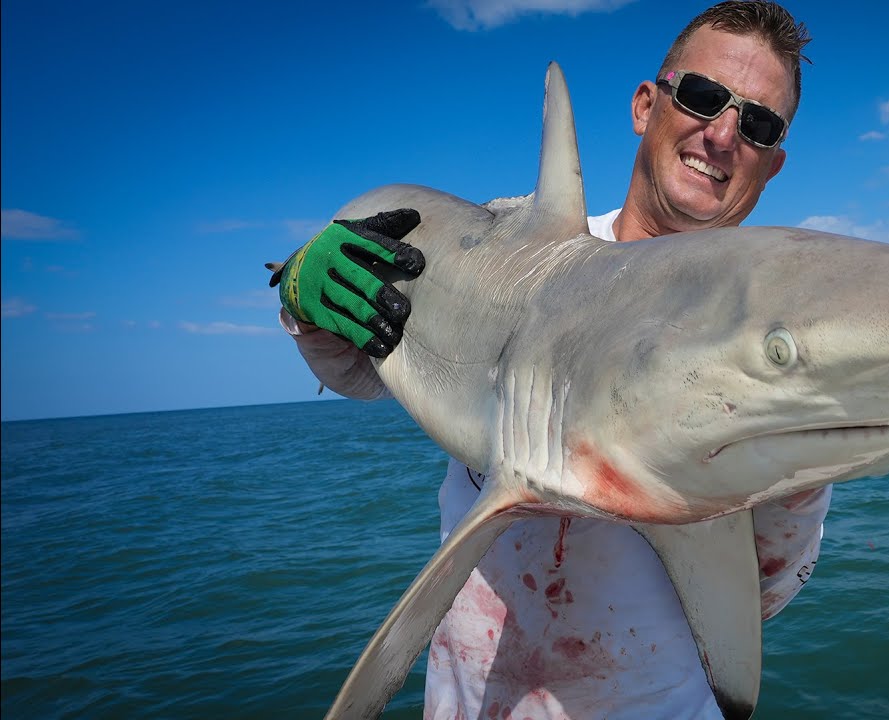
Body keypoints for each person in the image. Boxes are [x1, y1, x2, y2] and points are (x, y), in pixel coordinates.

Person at [274, 2, 830, 717]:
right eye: (702, 96)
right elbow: (359, 370)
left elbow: (764, 600)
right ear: (645, 104)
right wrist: (300, 294)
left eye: (757, 124)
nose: (722, 134)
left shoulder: (775, 360)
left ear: (773, 161)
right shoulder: (509, 254)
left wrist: (794, 475)